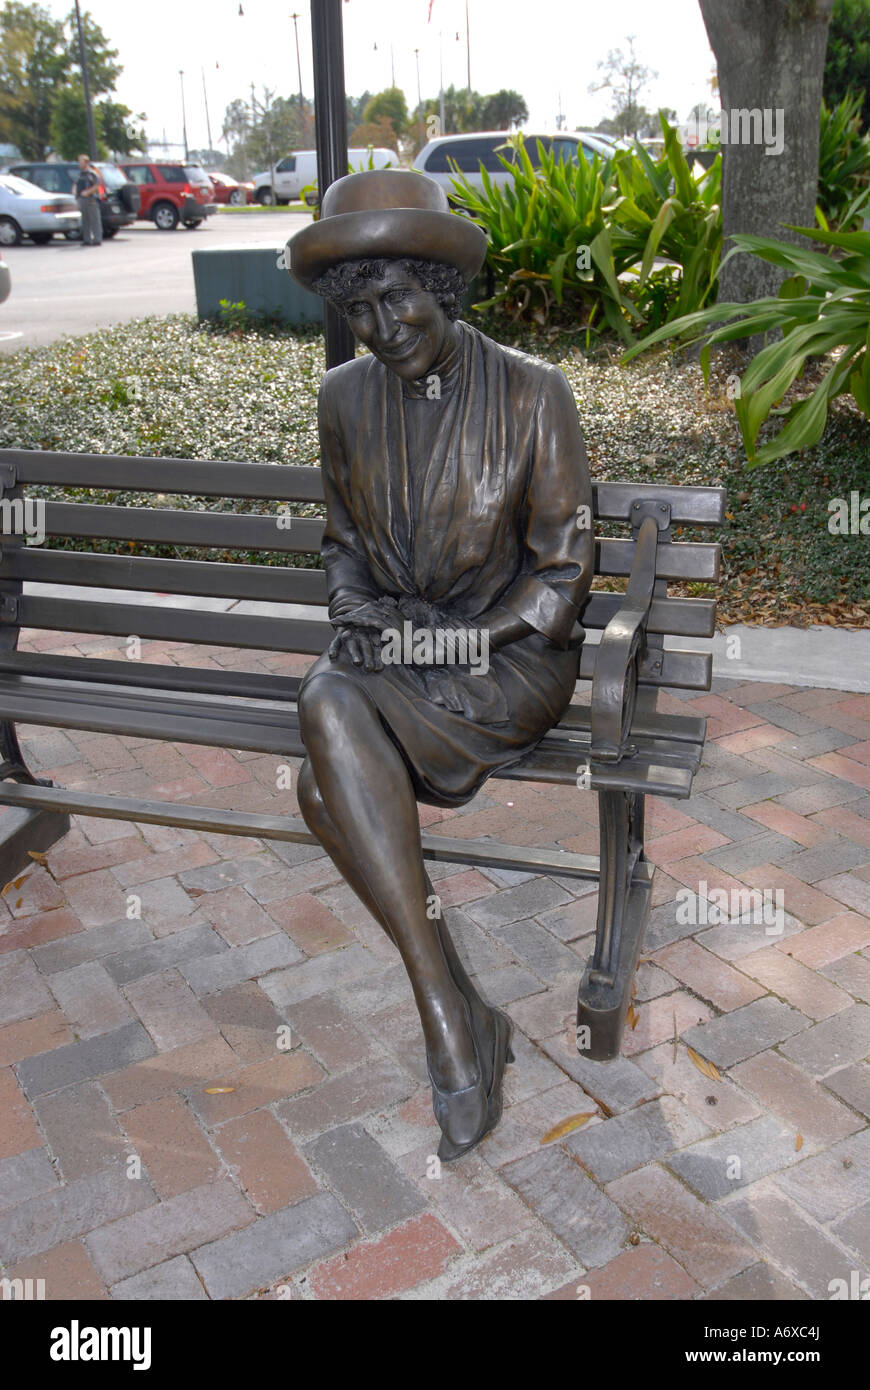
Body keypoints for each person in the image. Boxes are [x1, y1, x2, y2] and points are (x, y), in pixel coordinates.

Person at [286, 169, 594, 1160]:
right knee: (328, 732)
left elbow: (561, 576)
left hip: (506, 660)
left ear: (444, 287)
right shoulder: (343, 398)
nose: (381, 324)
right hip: (400, 657)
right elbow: (341, 545)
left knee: (322, 761)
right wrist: (358, 609)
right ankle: (453, 1010)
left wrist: (462, 639)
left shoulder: (535, 393)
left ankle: (449, 1014)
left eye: (400, 296)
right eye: (359, 306)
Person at [73, 154, 102, 247]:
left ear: (86, 162)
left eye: (81, 162)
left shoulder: (92, 173)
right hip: (82, 200)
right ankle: (87, 239)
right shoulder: (80, 174)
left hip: (91, 200)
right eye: (79, 162)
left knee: (94, 219)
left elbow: (97, 185)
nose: (79, 164)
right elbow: (76, 184)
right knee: (85, 220)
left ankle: (97, 239)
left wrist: (88, 192)